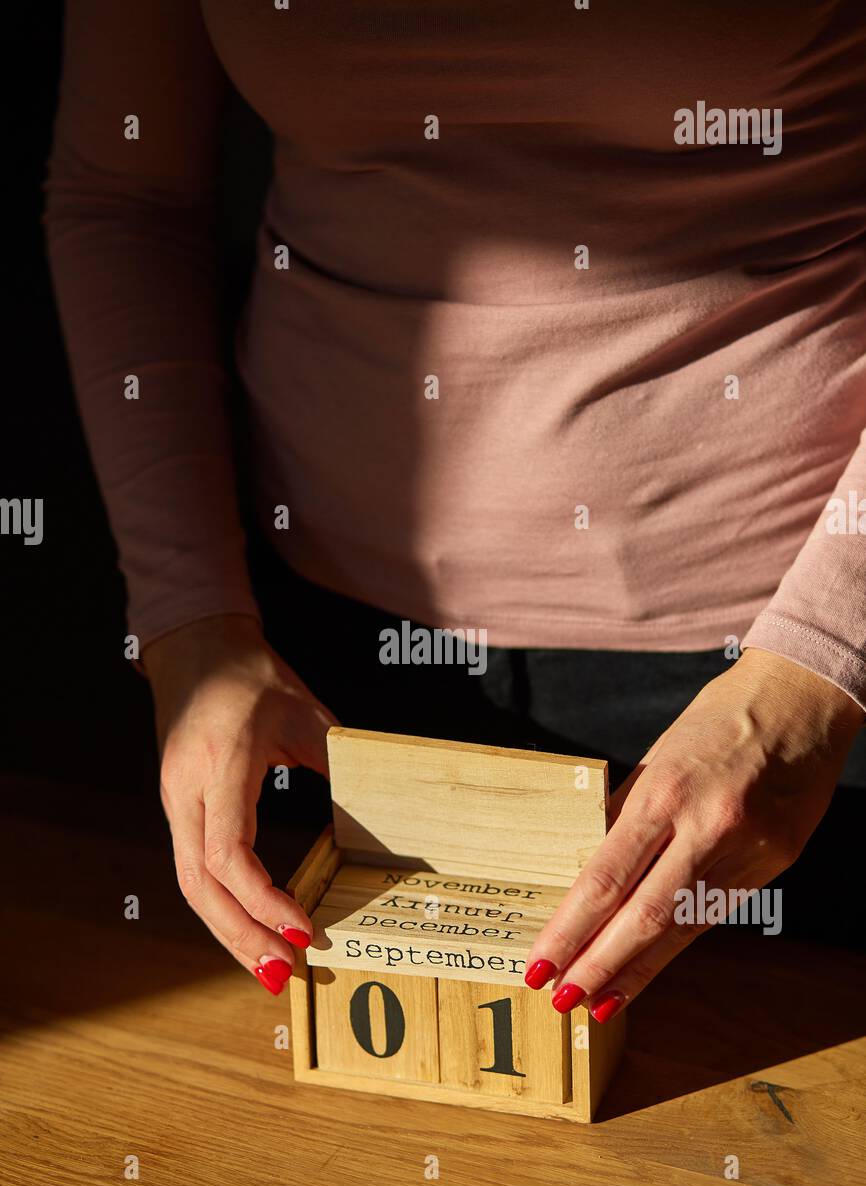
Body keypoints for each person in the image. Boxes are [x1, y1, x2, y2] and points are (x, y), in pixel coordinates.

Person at [44, 2, 865, 1008]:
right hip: (301, 666)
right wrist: (190, 622)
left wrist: (822, 663)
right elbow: (125, 195)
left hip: (774, 685)